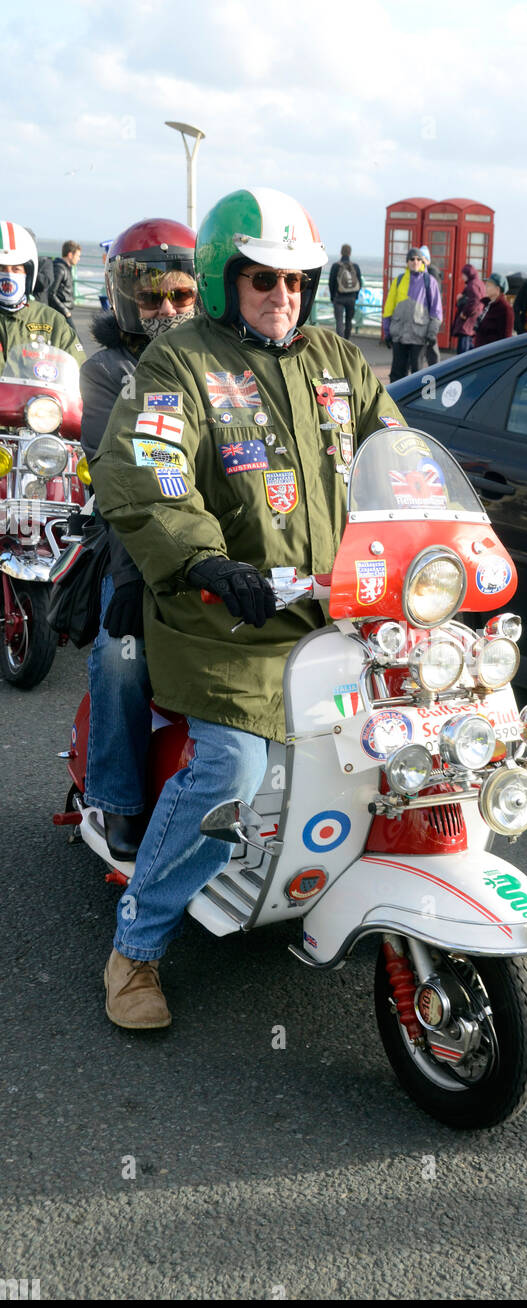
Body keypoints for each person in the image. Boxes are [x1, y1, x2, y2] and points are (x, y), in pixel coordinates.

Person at [90, 186, 406, 1029]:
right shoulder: (178, 364)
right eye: (263, 279)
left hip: (337, 611)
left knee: (428, 730)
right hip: (225, 618)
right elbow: (148, 476)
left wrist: (443, 515)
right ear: (227, 278)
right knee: (232, 768)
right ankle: (138, 948)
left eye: (297, 280)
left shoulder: (339, 359)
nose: (283, 296)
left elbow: (394, 452)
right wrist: (206, 562)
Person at [80, 218, 198, 862]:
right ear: (126, 297)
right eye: (152, 296)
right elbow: (118, 482)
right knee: (121, 657)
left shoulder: (221, 361)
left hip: (222, 548)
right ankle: (119, 798)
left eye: (180, 296)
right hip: (134, 552)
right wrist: (130, 577)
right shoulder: (106, 372)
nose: (167, 309)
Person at [0, 221, 85, 361]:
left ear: (29, 273)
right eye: (1, 268)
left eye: (16, 269)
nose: (9, 275)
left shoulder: (52, 321)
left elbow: (78, 371)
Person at [382, 247, 442, 381]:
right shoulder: (398, 281)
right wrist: (387, 332)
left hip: (419, 335)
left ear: (422, 262)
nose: (415, 262)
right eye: (412, 259)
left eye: (418, 259)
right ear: (407, 262)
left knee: (417, 373)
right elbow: (388, 308)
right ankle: (394, 401)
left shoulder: (429, 281)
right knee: (397, 373)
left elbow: (436, 310)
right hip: (399, 335)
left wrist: (432, 332)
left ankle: (415, 401)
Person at [327, 243, 362, 341]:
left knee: (339, 321)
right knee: (348, 321)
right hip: (351, 298)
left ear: (341, 252)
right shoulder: (355, 266)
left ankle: (341, 342)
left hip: (339, 298)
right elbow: (359, 282)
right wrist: (356, 296)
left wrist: (332, 297)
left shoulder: (335, 266)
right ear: (350, 253)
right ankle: (347, 341)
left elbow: (331, 283)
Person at [417, 244, 443, 365]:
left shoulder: (431, 272)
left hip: (428, 315)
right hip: (423, 315)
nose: (419, 261)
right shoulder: (428, 272)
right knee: (429, 347)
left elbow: (433, 296)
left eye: (421, 259)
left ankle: (436, 372)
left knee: (431, 345)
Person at [450, 263, 485, 353]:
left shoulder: (472, 285)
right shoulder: (479, 283)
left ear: (467, 274)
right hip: (476, 317)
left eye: (463, 274)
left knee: (463, 348)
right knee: (470, 344)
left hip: (468, 319)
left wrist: (464, 313)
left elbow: (475, 300)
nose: (462, 277)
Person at [474, 272, 514, 347]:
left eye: (489, 285)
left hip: (489, 354)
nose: (485, 287)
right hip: (479, 351)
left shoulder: (506, 309)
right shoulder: (488, 304)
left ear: (497, 289)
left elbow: (506, 339)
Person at [48, 240, 82, 322]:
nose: (79, 259)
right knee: (73, 334)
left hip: (63, 311)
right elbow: (51, 293)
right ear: (70, 255)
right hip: (60, 312)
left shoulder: (66, 268)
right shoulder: (60, 269)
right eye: (77, 256)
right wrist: (65, 311)